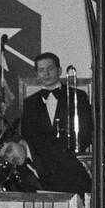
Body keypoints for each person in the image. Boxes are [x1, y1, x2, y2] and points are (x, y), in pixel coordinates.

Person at [15, 51, 92, 194]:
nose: (46, 74)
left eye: (50, 69)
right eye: (41, 70)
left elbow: (86, 131)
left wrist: (67, 154)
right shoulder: (29, 103)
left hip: (72, 166)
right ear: (37, 74)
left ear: (59, 70)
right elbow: (27, 135)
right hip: (44, 170)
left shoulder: (79, 96)